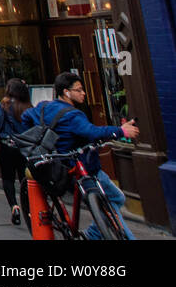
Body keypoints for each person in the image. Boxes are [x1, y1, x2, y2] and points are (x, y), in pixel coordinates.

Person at [29, 71, 140, 239]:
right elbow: (91, 131)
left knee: (113, 200)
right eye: (79, 90)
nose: (84, 93)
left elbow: (26, 117)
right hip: (83, 169)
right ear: (66, 92)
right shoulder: (73, 115)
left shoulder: (44, 107)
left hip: (59, 167)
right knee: (113, 203)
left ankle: (93, 233)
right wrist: (120, 131)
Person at [0, 78, 33, 227]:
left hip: (7, 146)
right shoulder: (27, 106)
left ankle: (14, 206)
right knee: (24, 178)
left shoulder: (4, 104)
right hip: (23, 147)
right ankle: (28, 209)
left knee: (8, 178)